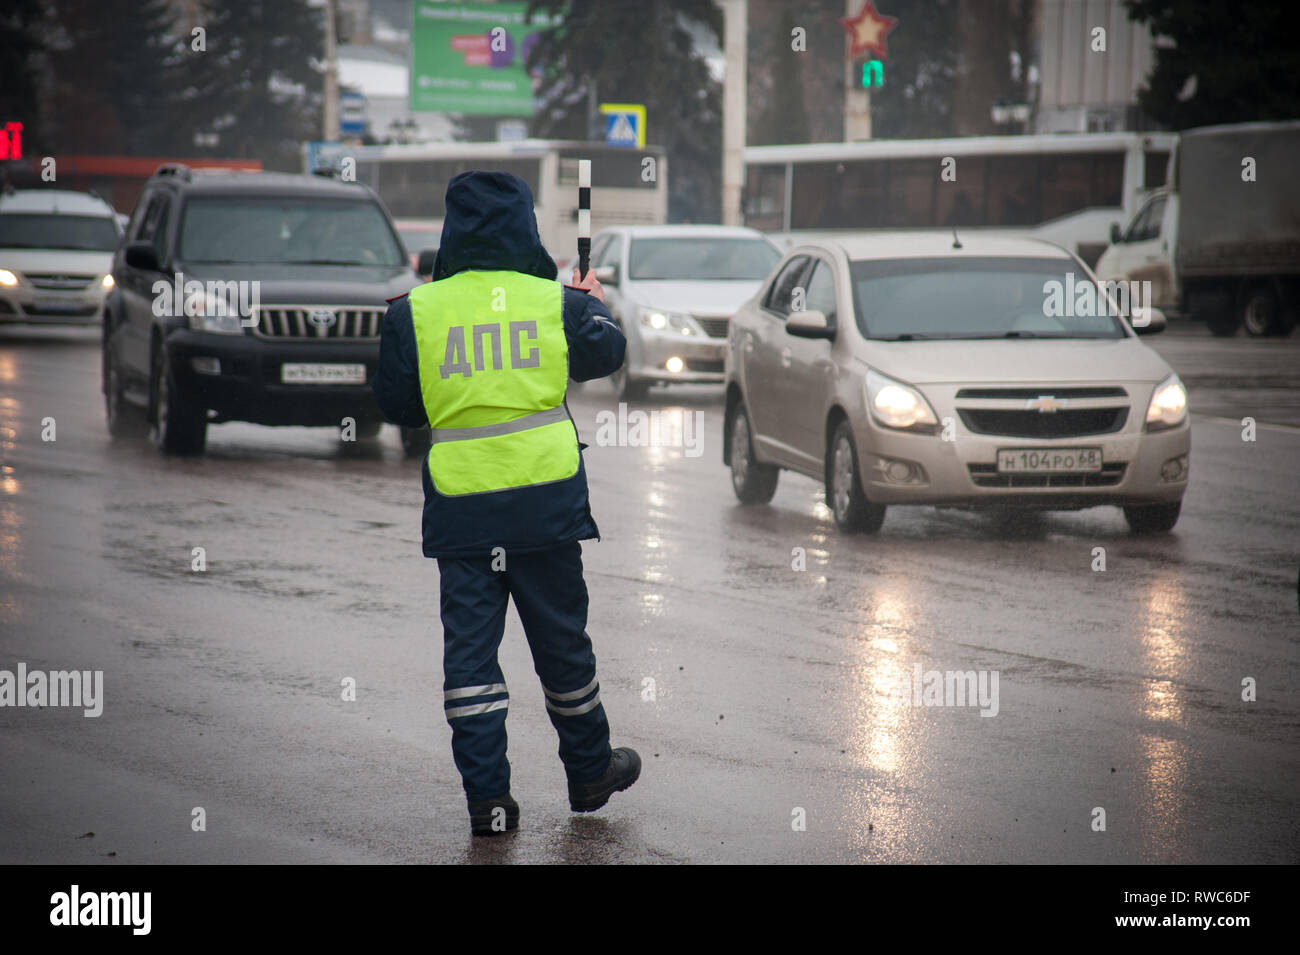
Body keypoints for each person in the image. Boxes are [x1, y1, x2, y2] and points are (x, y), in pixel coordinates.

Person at [372, 170, 640, 836]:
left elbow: (398, 407)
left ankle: (489, 803)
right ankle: (588, 772)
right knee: (562, 649)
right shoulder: (555, 302)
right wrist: (592, 301)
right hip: (545, 512)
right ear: (525, 225)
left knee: (470, 664)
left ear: (451, 229)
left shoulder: (415, 313)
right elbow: (608, 353)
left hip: (463, 516)